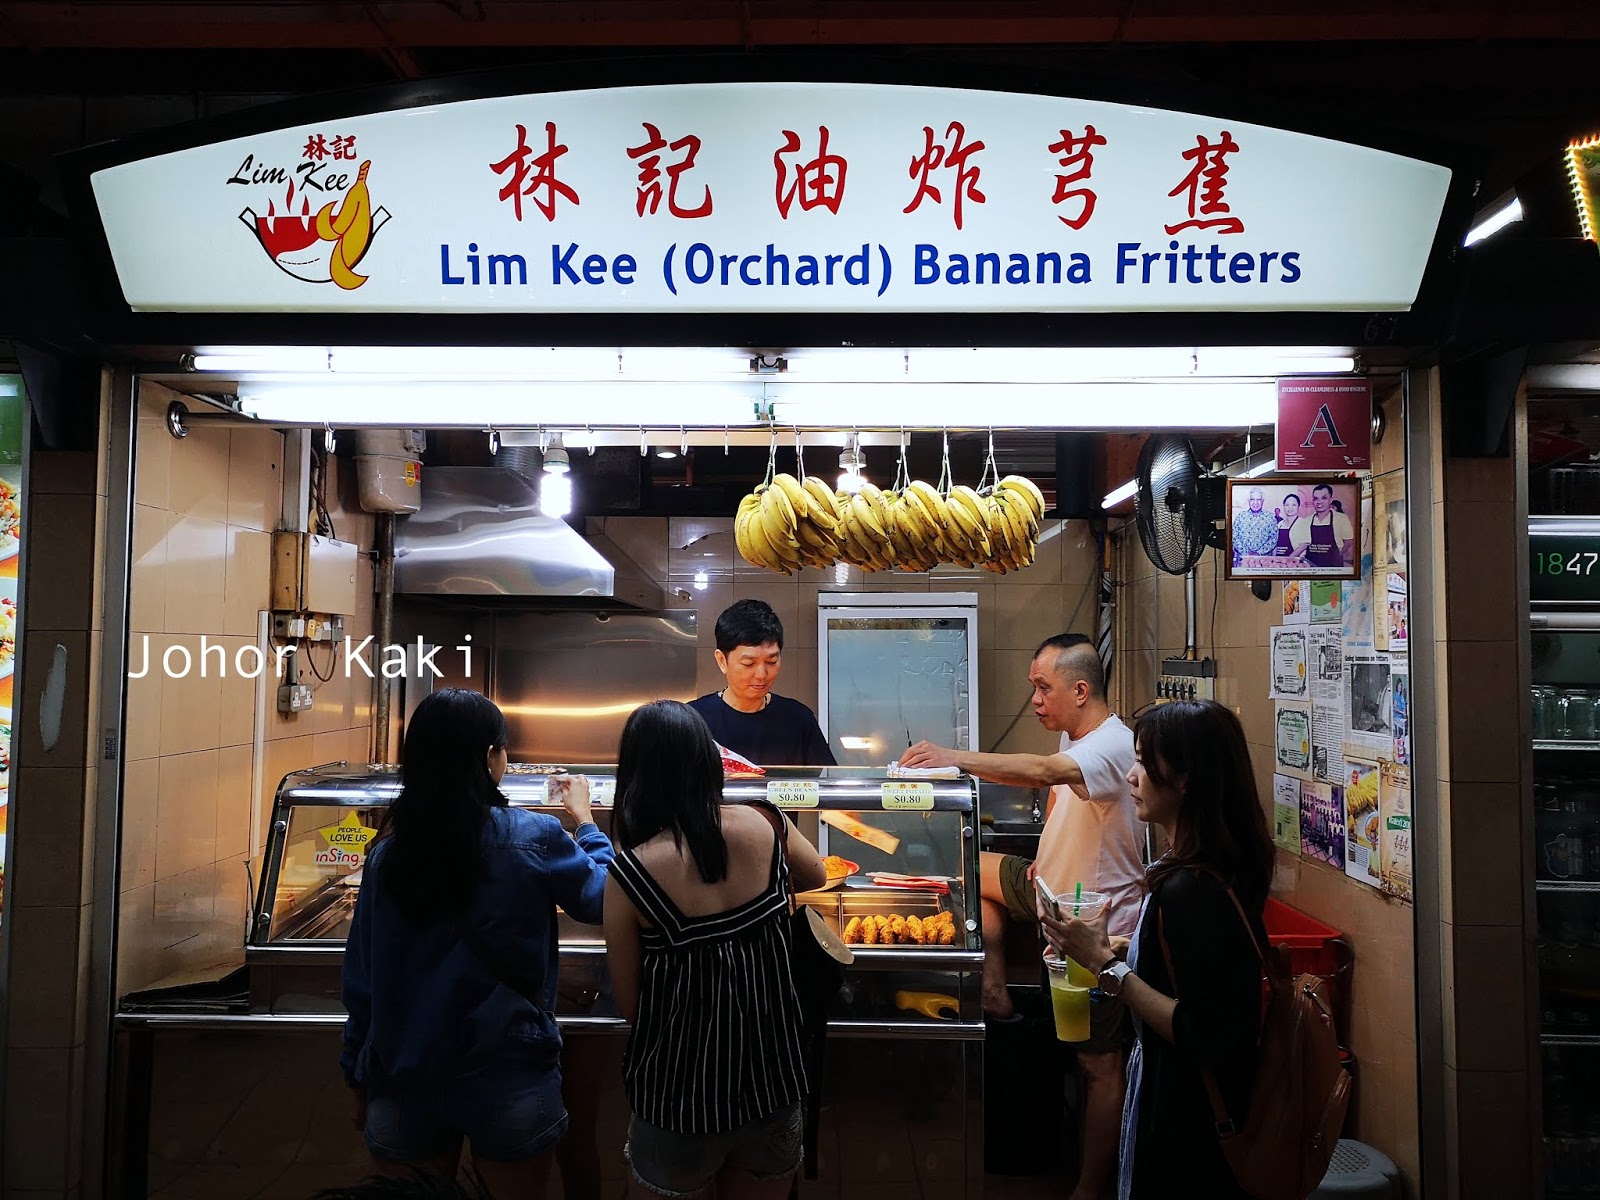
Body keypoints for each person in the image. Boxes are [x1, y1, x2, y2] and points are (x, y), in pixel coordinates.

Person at [340, 689, 613, 1199]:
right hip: (508, 1075)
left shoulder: (388, 854)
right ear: (490, 757)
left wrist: (357, 1075)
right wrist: (589, 824)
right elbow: (601, 900)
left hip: (404, 1076)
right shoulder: (533, 835)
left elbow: (361, 981)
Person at [899, 632, 1143, 1200]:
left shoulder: (1111, 745)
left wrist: (953, 758)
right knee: (965, 867)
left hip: (1093, 926)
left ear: (1081, 690)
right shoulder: (1076, 730)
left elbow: (1043, 771)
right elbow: (1060, 791)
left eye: (1042, 688)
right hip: (1047, 892)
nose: (1034, 699)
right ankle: (995, 989)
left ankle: (1088, 1189)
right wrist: (1043, 856)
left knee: (1097, 1068)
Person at [1042, 700, 1274, 1200]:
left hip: (1189, 1121)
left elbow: (1202, 1030)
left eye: (1145, 762)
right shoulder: (1203, 866)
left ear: (1186, 778)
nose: (1130, 777)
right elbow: (1185, 973)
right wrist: (1123, 951)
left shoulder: (1192, 889)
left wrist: (1104, 965)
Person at [604, 700, 828, 1199]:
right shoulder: (766, 823)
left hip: (680, 1101)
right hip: (772, 1087)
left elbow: (629, 1006)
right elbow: (817, 874)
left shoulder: (630, 874)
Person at [688, 598, 835, 766]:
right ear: (722, 661)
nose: (761, 675)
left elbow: (826, 785)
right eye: (748, 663)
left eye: (771, 661)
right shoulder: (693, 721)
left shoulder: (798, 719)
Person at [1291, 483, 1355, 567]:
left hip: (1333, 568)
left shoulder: (1341, 519)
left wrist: (1338, 554)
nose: (1319, 502)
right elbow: (1302, 545)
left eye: (1324, 498)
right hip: (1311, 567)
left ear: (1330, 500)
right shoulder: (1307, 520)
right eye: (1315, 499)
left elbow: (1349, 541)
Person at [1230, 486, 1279, 558]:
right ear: (1248, 501)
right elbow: (1234, 537)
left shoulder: (1270, 518)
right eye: (1252, 499)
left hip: (1264, 560)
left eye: (1258, 500)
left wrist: (1259, 553)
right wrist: (1246, 553)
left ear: (1262, 501)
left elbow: (1273, 539)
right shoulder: (1240, 517)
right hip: (1243, 559)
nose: (1255, 503)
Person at [1273, 491, 1302, 556]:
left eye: (1293, 505)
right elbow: (1275, 545)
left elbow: (1303, 546)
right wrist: (1273, 559)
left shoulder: (1302, 523)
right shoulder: (1280, 524)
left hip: (1294, 562)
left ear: (1298, 506)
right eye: (1287, 505)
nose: (1290, 508)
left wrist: (1288, 559)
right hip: (1278, 562)